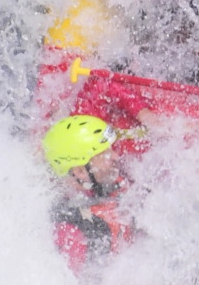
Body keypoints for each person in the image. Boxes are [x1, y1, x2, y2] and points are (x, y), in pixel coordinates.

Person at [41, 113, 135, 268]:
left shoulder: (109, 184)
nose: (116, 156)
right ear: (80, 172)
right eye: (105, 154)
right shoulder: (73, 231)